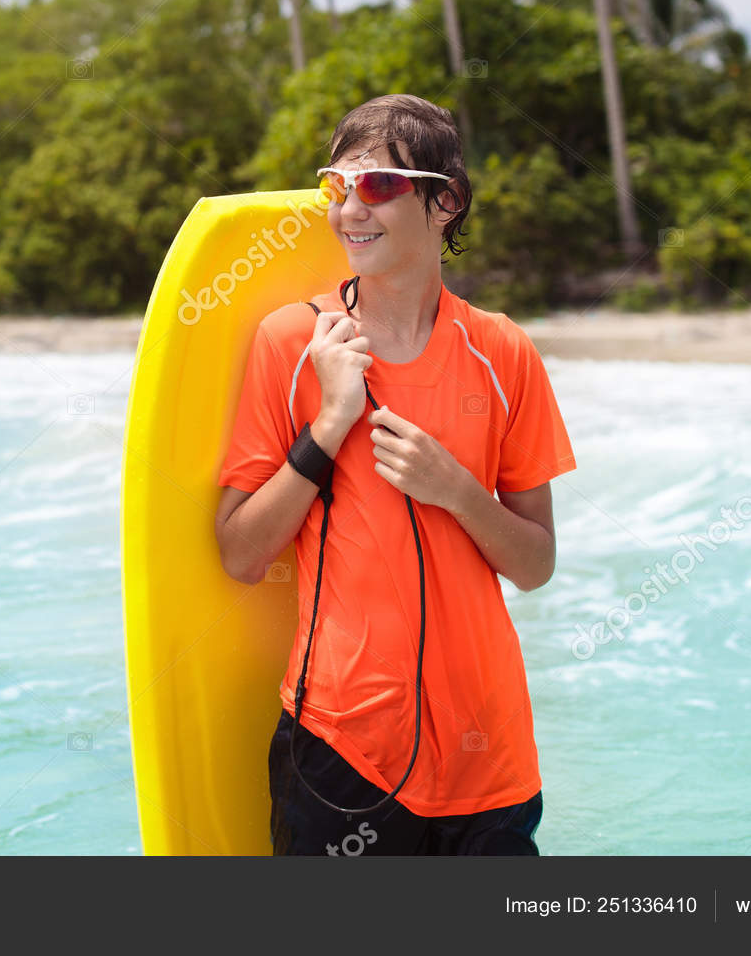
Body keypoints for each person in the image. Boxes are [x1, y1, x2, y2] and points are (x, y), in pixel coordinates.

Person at [213, 93, 577, 856]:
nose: (350, 210)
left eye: (375, 185)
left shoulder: (503, 352)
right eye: (335, 188)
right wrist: (329, 424)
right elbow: (242, 554)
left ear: (444, 201)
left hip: (490, 760)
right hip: (341, 751)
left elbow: (536, 562)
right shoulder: (291, 344)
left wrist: (456, 489)